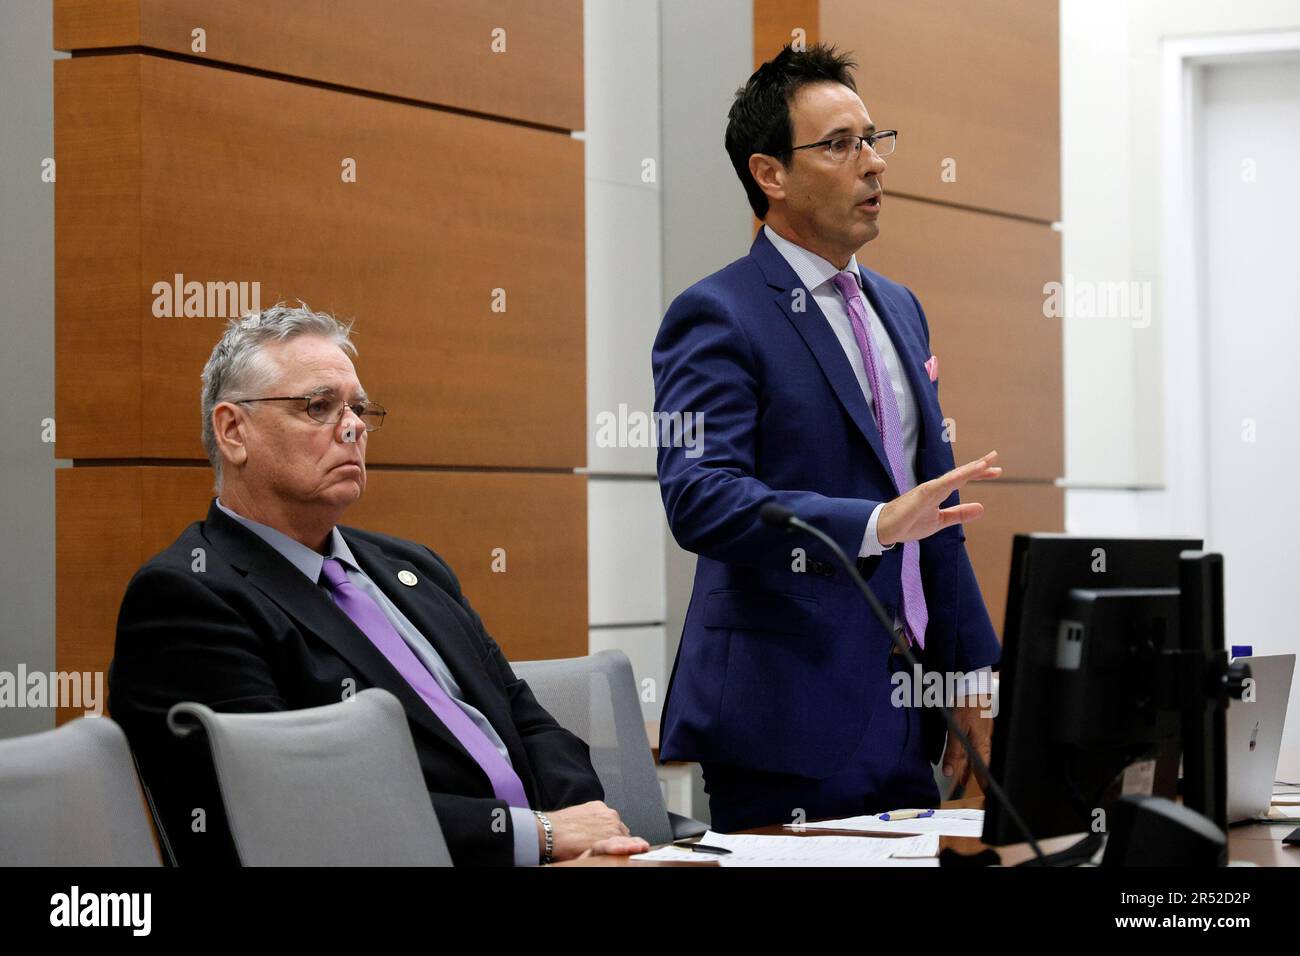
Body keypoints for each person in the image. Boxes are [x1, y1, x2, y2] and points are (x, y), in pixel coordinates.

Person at [109, 303, 648, 866]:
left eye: (358, 409)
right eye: (319, 406)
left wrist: (584, 832)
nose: (353, 426)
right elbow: (292, 809)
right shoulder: (187, 597)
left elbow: (525, 717)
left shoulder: (412, 566)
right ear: (233, 430)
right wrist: (536, 836)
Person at [653, 44, 1002, 831]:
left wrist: (973, 669)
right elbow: (700, 497)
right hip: (785, 713)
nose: (873, 164)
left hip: (908, 700)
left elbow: (934, 507)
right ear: (770, 174)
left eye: (876, 139)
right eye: (841, 145)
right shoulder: (718, 314)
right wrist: (873, 525)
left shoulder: (900, 307)